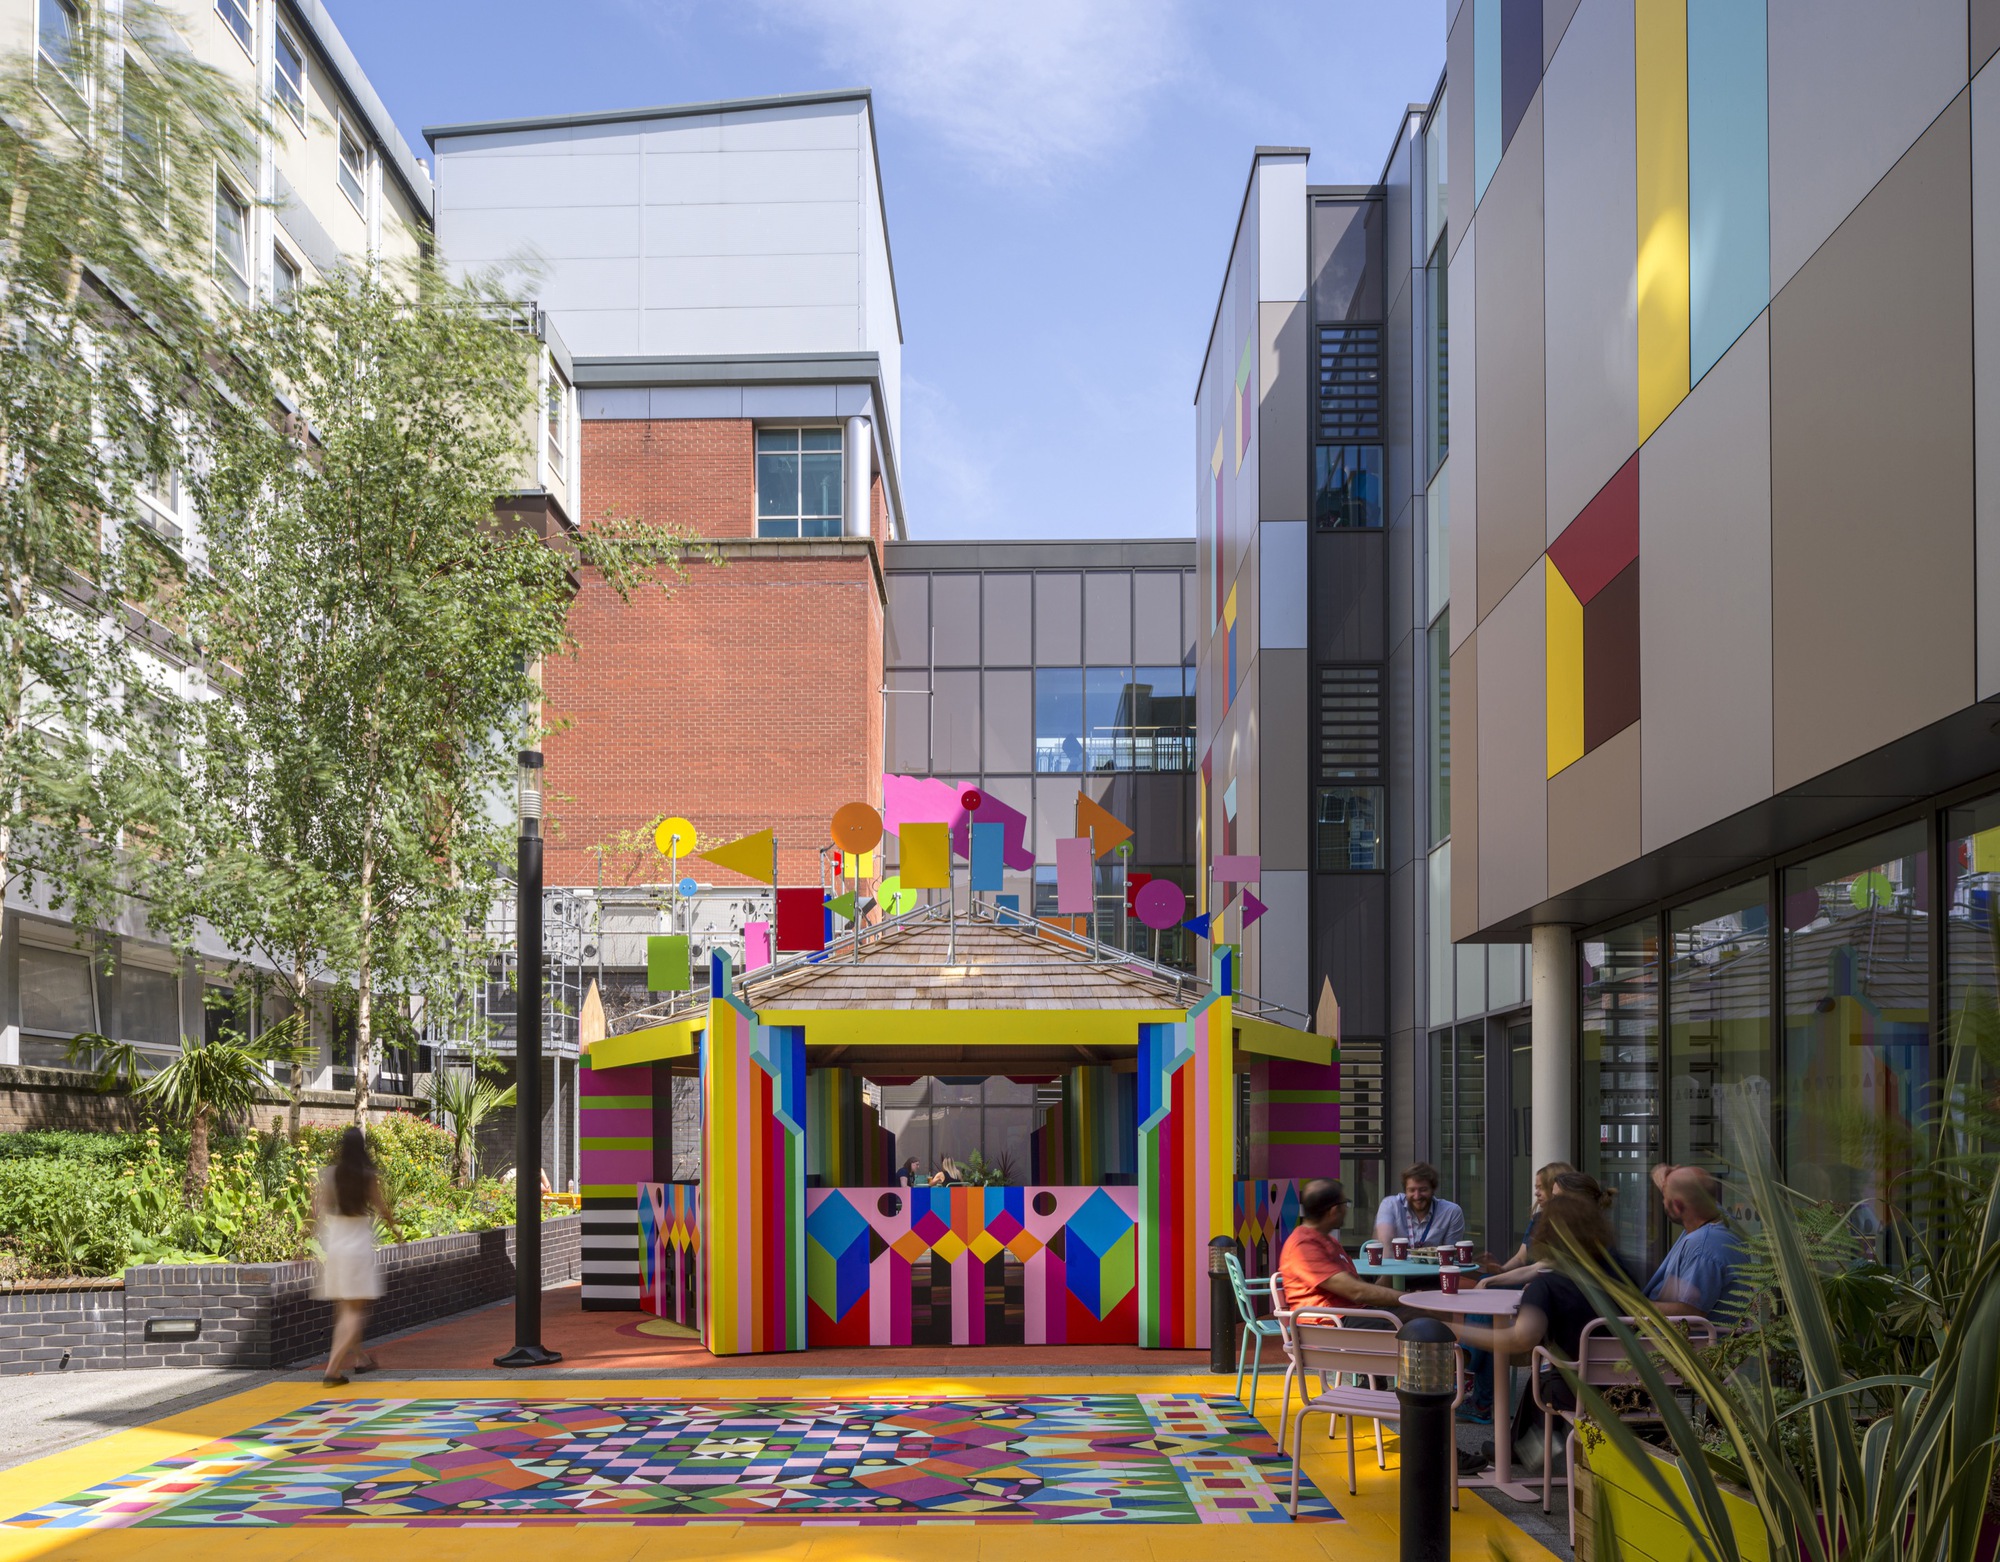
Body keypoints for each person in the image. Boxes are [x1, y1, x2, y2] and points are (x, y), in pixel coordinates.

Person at [1447, 1180, 1646, 1474]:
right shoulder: (1623, 1269)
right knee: (1546, 1373)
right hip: (1635, 1389)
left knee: (1547, 1374)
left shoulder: (1549, 1285)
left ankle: (1535, 1445)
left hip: (1580, 1392)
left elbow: (1520, 1340)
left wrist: (1458, 1331)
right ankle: (1523, 1447)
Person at [313, 1127, 401, 1387]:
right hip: (358, 1245)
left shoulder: (330, 1174)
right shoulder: (367, 1175)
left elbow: (317, 1207)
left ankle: (360, 1358)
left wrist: (302, 1242)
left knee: (344, 1310)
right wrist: (396, 1230)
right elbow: (382, 1207)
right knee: (353, 1313)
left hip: (336, 1244)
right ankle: (332, 1370)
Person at [1276, 1178, 1405, 1314]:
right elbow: (1356, 1291)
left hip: (1352, 1315)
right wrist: (1409, 1299)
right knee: (1418, 1323)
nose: (1346, 1209)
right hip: (1332, 1325)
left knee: (1417, 1316)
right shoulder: (1303, 1247)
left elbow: (1361, 1289)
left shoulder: (1328, 1241)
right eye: (1345, 1204)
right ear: (1334, 1210)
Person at [1645, 1164, 1748, 1322]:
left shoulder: (1702, 1247)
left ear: (1678, 1206)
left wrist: (1637, 1306)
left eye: (1664, 1199)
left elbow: (1691, 1314)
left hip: (1694, 1343)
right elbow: (1695, 1193)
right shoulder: (1725, 1222)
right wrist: (1669, 1182)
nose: (1662, 1202)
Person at [1477, 1161, 1575, 1286]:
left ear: (1556, 1189)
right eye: (1536, 1188)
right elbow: (1520, 1258)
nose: (1536, 1193)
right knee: (1485, 1279)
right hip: (1531, 1278)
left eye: (1541, 1188)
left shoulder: (1570, 1225)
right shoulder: (1538, 1219)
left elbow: (1545, 1266)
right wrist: (1501, 1270)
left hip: (1552, 1283)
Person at [1374, 1161, 1467, 1251]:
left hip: (1433, 1266)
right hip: (1397, 1265)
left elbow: (1449, 1254)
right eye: (1411, 1190)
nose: (1417, 1196)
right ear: (1405, 1191)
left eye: (1423, 1190)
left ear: (1433, 1189)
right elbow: (1385, 1244)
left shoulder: (1451, 1212)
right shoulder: (1390, 1205)